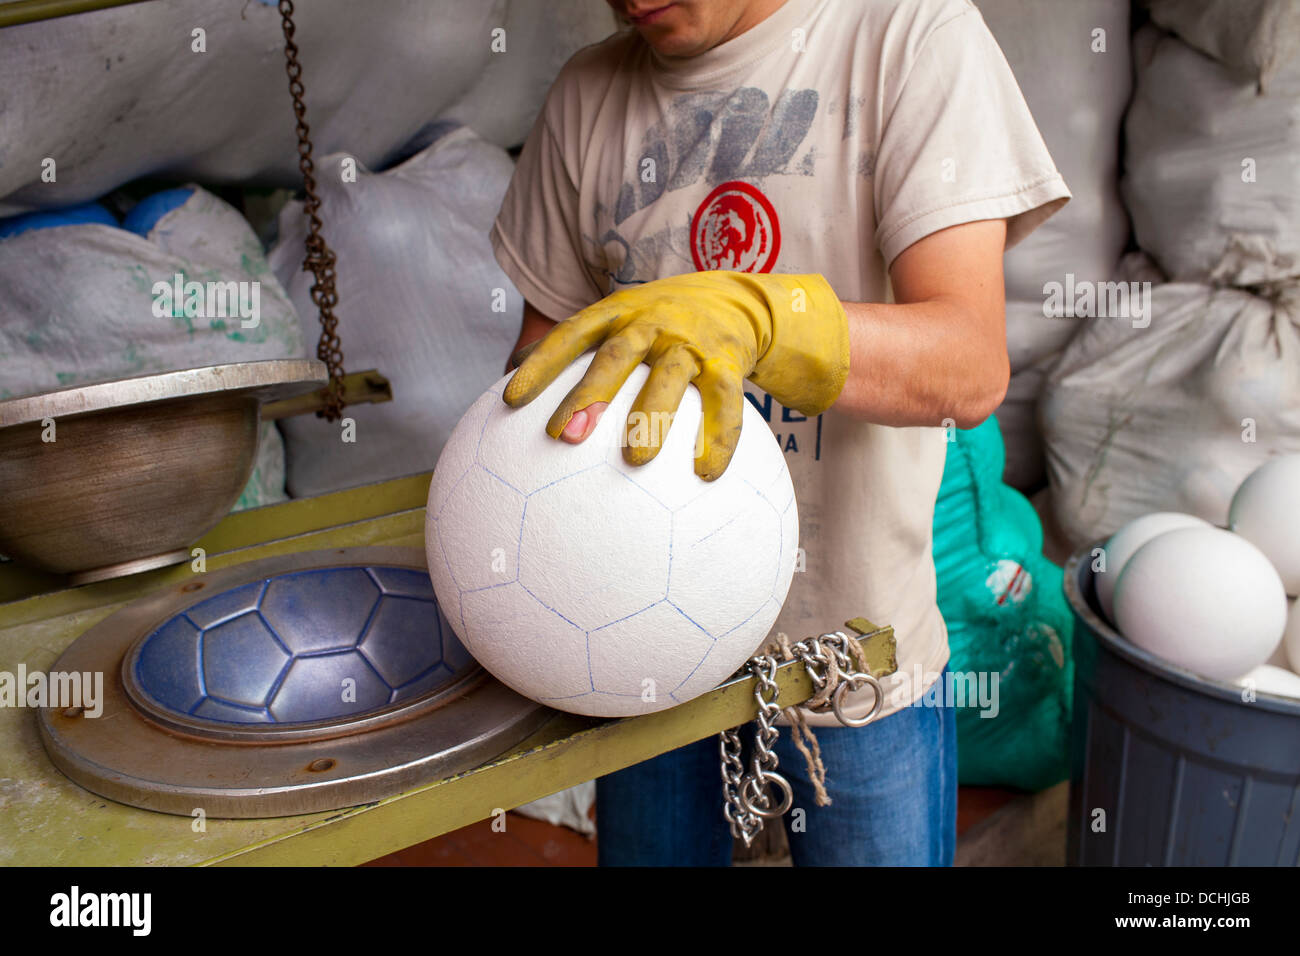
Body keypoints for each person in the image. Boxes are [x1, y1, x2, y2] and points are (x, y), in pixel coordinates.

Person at [490, 0, 1069, 865]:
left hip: (857, 658)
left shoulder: (910, 39)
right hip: (647, 658)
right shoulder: (587, 96)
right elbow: (540, 376)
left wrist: (767, 317)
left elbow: (970, 364)